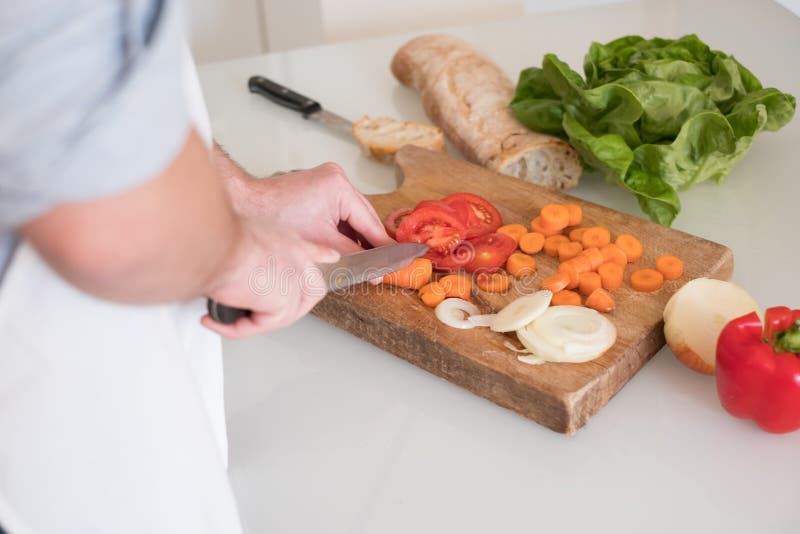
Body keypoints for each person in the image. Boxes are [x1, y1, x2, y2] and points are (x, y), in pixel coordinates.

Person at [0, 1, 392, 532]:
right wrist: (244, 257)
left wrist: (241, 196)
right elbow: (108, 223)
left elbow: (105, 105)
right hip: (55, 423)